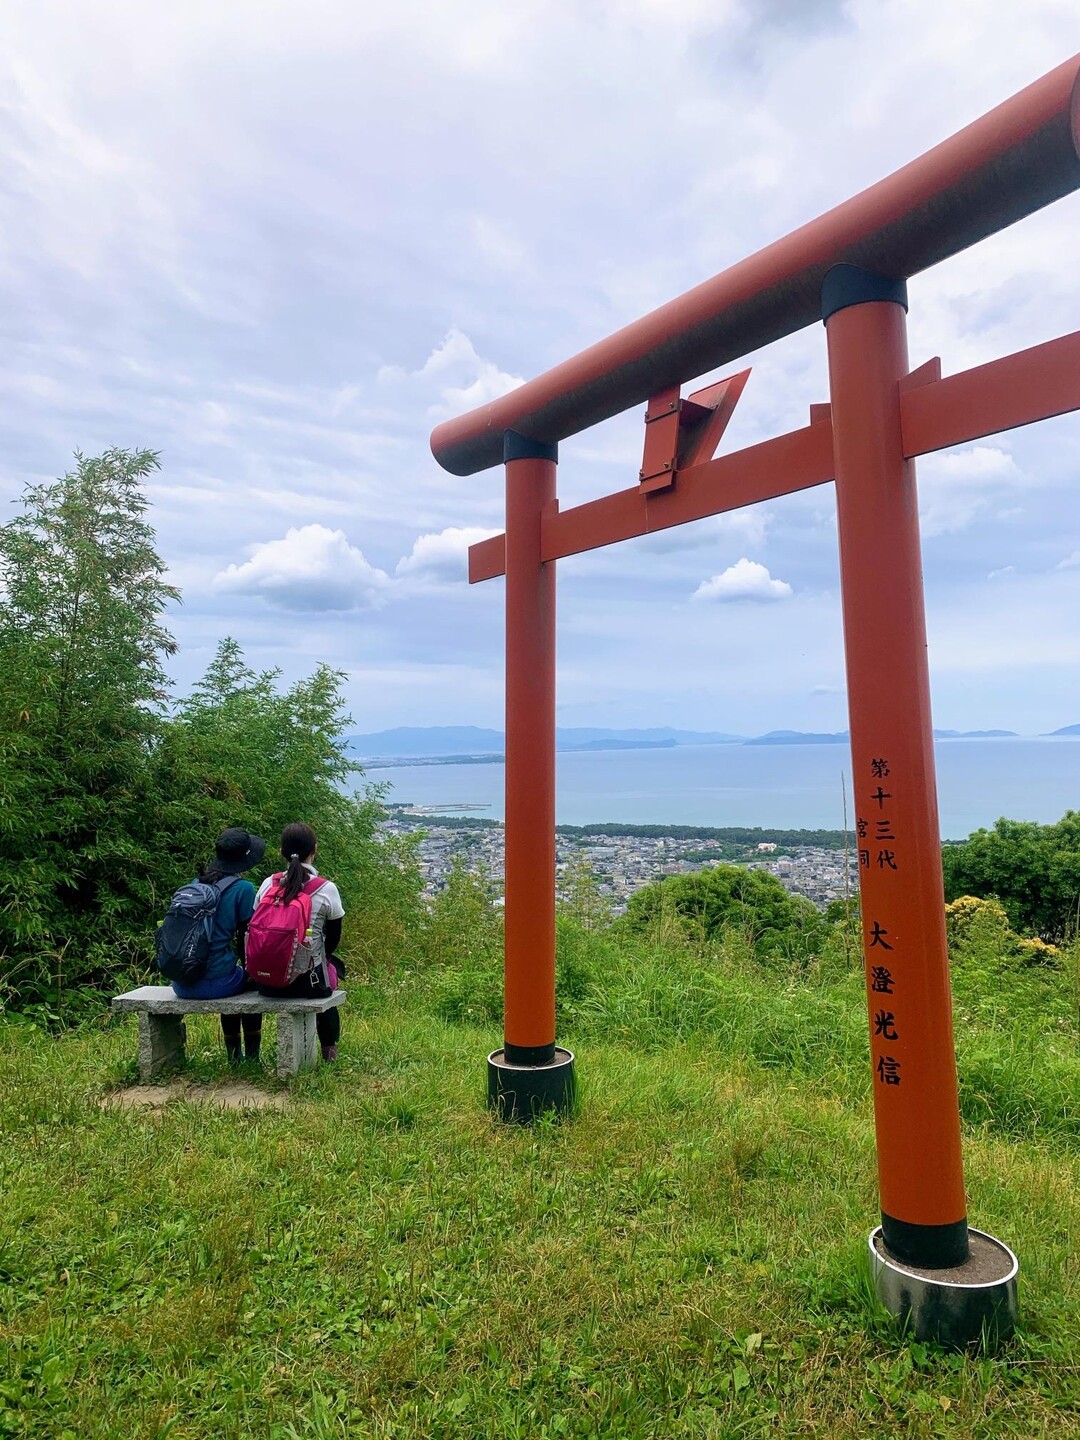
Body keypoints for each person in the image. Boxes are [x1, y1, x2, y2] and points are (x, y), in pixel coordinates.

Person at [252, 822, 346, 1061]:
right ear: (314, 849)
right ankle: (329, 1052)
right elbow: (334, 937)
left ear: (281, 852)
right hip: (308, 984)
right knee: (329, 973)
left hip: (266, 982)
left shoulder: (268, 884)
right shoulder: (326, 889)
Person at [171, 826, 266, 1063]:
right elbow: (247, 938)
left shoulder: (196, 884)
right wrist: (252, 974)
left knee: (231, 976)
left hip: (182, 983)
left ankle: (233, 1056)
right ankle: (251, 1058)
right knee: (248, 984)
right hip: (216, 983)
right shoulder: (243, 889)